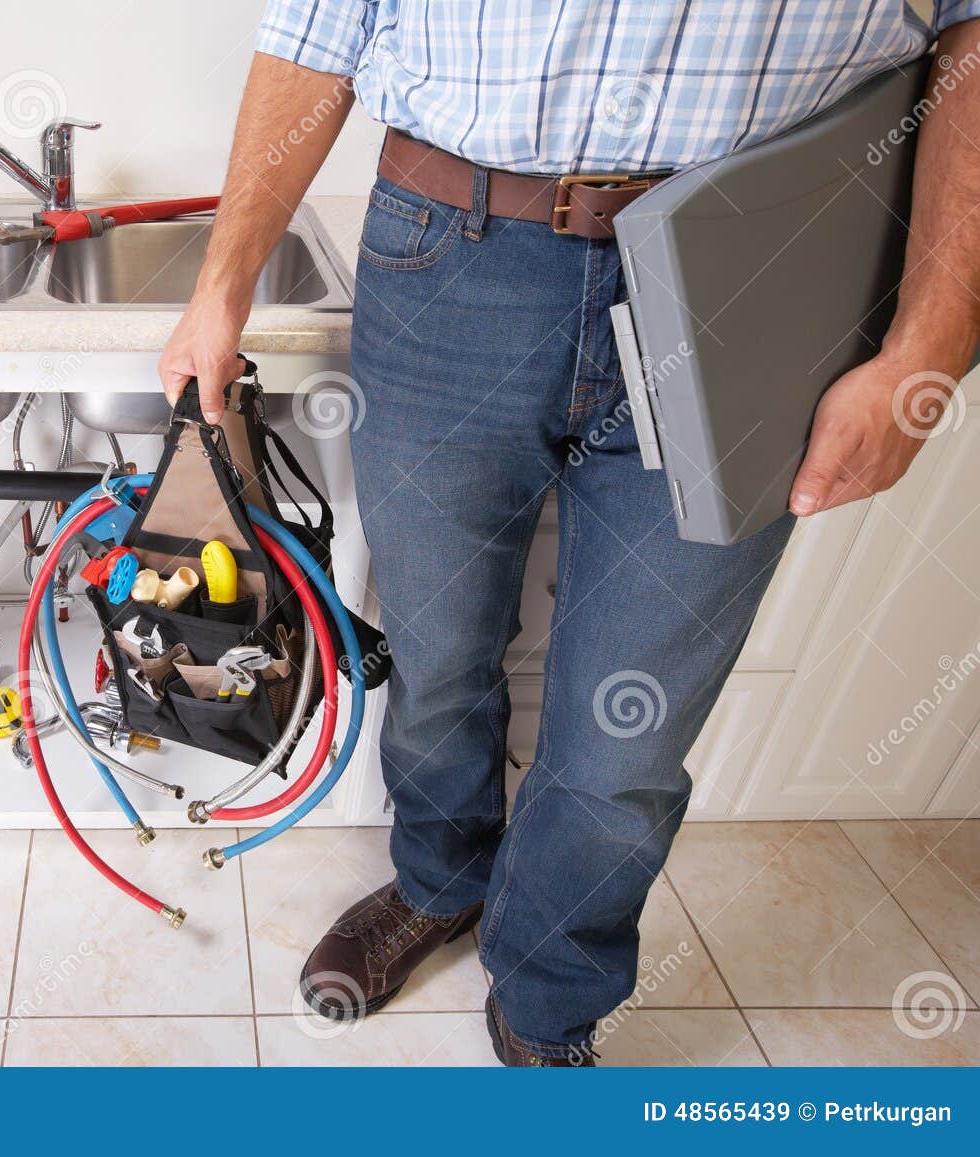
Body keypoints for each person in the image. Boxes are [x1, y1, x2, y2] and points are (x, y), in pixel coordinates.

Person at [159, 1, 980, 1065]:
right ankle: (439, 884)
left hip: (758, 276)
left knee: (627, 735)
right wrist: (218, 291)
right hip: (448, 262)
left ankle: (549, 992)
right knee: (437, 650)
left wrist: (926, 349)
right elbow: (319, 31)